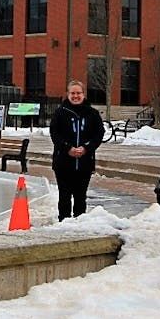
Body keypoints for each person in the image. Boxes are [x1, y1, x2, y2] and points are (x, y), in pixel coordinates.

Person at [48, 79, 105, 220]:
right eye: (72, 93)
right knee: (64, 196)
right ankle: (64, 222)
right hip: (63, 162)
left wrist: (86, 148)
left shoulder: (92, 113)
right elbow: (55, 134)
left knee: (80, 197)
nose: (75, 96)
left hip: (85, 163)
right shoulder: (60, 113)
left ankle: (80, 222)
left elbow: (99, 134)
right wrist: (68, 148)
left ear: (83, 94)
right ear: (68, 94)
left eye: (78, 93)